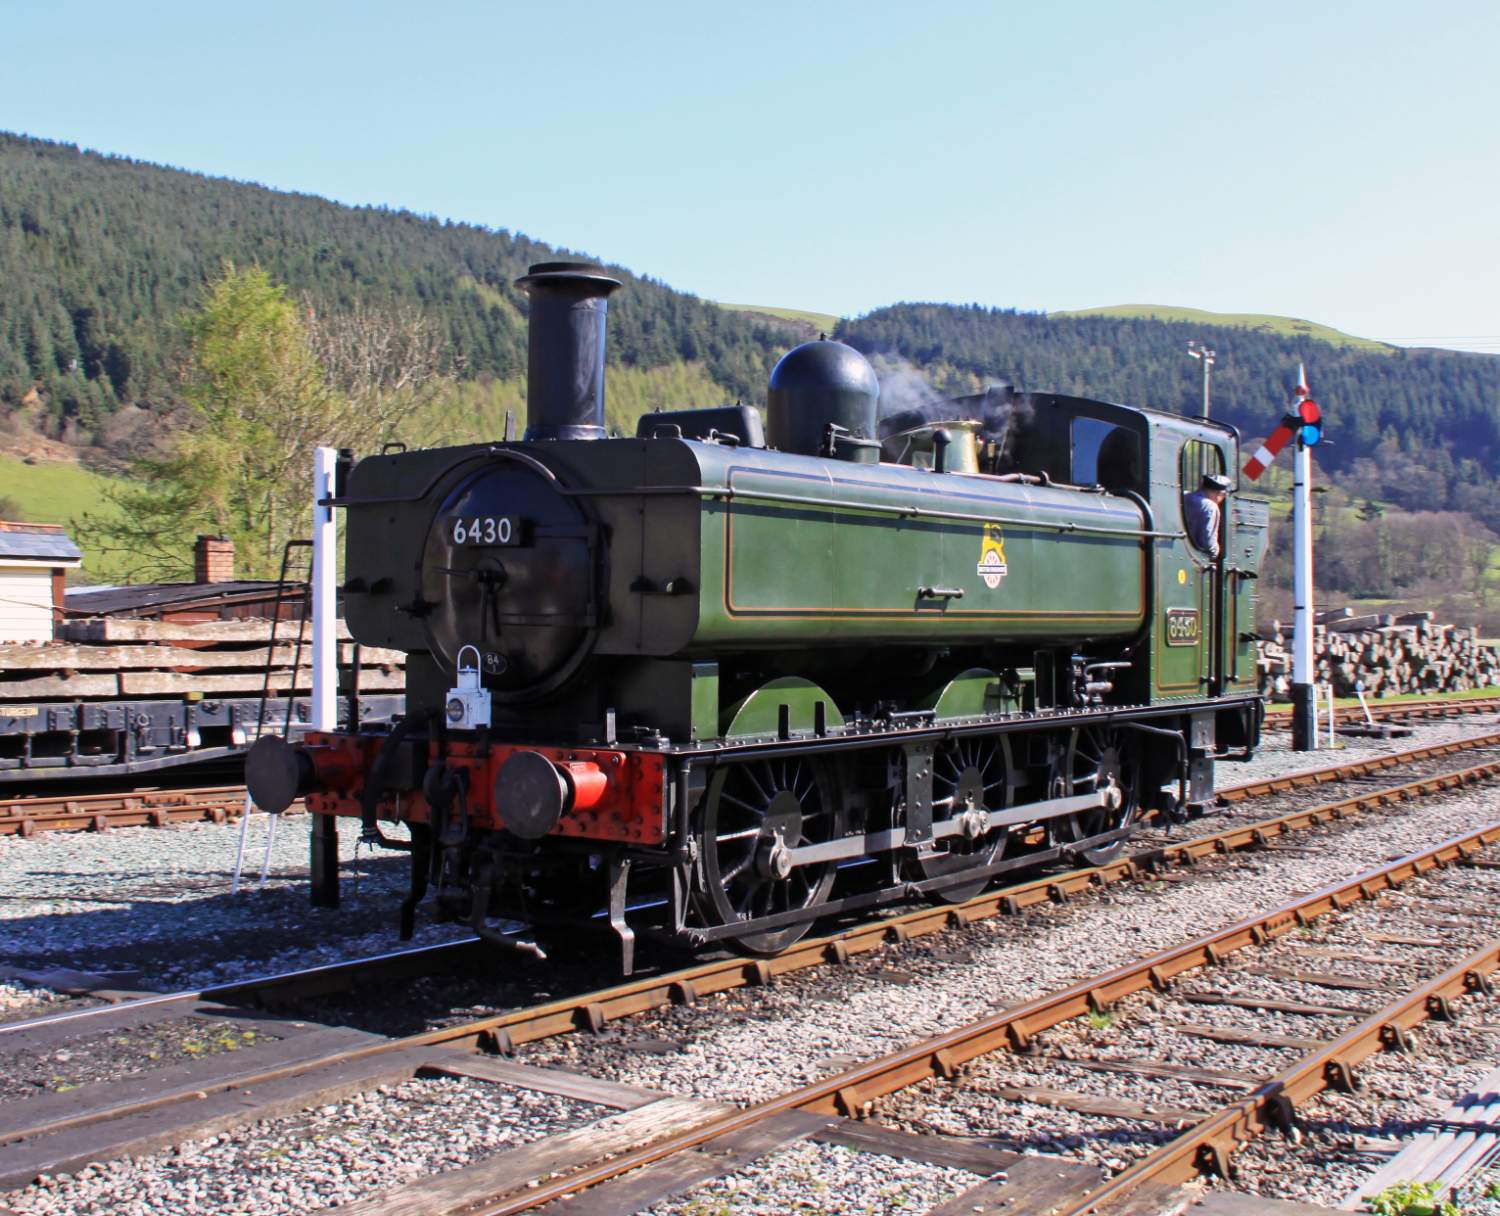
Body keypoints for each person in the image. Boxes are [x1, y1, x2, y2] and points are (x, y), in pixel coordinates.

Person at [1183, 472, 1231, 558]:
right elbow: (1208, 542)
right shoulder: (1210, 507)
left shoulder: (1184, 496)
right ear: (1220, 494)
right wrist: (1215, 552)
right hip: (1197, 558)